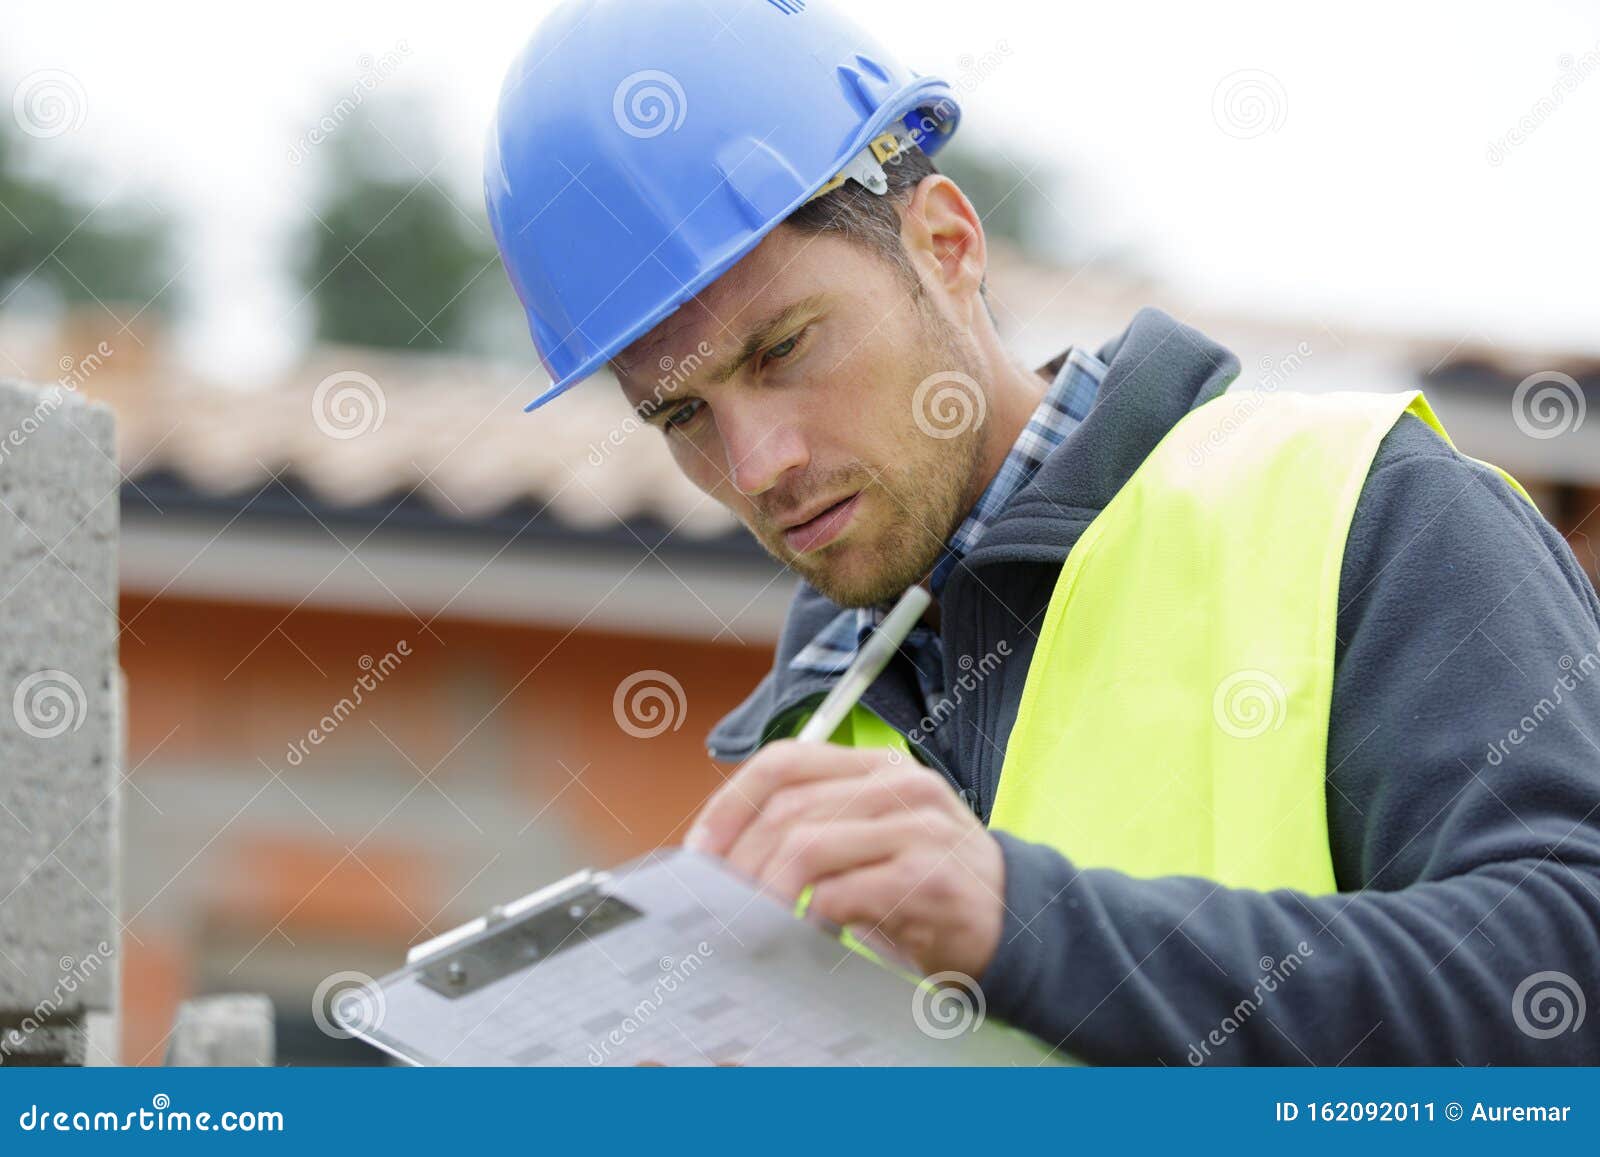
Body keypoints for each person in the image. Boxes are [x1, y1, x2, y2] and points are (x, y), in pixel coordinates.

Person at [484, 0, 1600, 1063]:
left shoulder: (1362, 512)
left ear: (945, 243)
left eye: (781, 349)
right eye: (681, 413)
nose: (755, 464)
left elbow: (1563, 988)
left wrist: (1026, 923)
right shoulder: (808, 753)